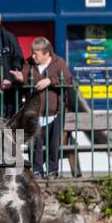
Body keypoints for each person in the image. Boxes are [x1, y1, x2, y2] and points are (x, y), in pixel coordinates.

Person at [23, 37, 72, 178]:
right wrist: (19, 77)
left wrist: (50, 80)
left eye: (36, 53)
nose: (33, 56)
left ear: (46, 53)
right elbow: (25, 77)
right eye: (32, 53)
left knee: (53, 143)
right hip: (35, 111)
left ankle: (52, 170)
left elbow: (68, 80)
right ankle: (37, 170)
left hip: (54, 110)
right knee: (35, 143)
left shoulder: (59, 63)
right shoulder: (29, 63)